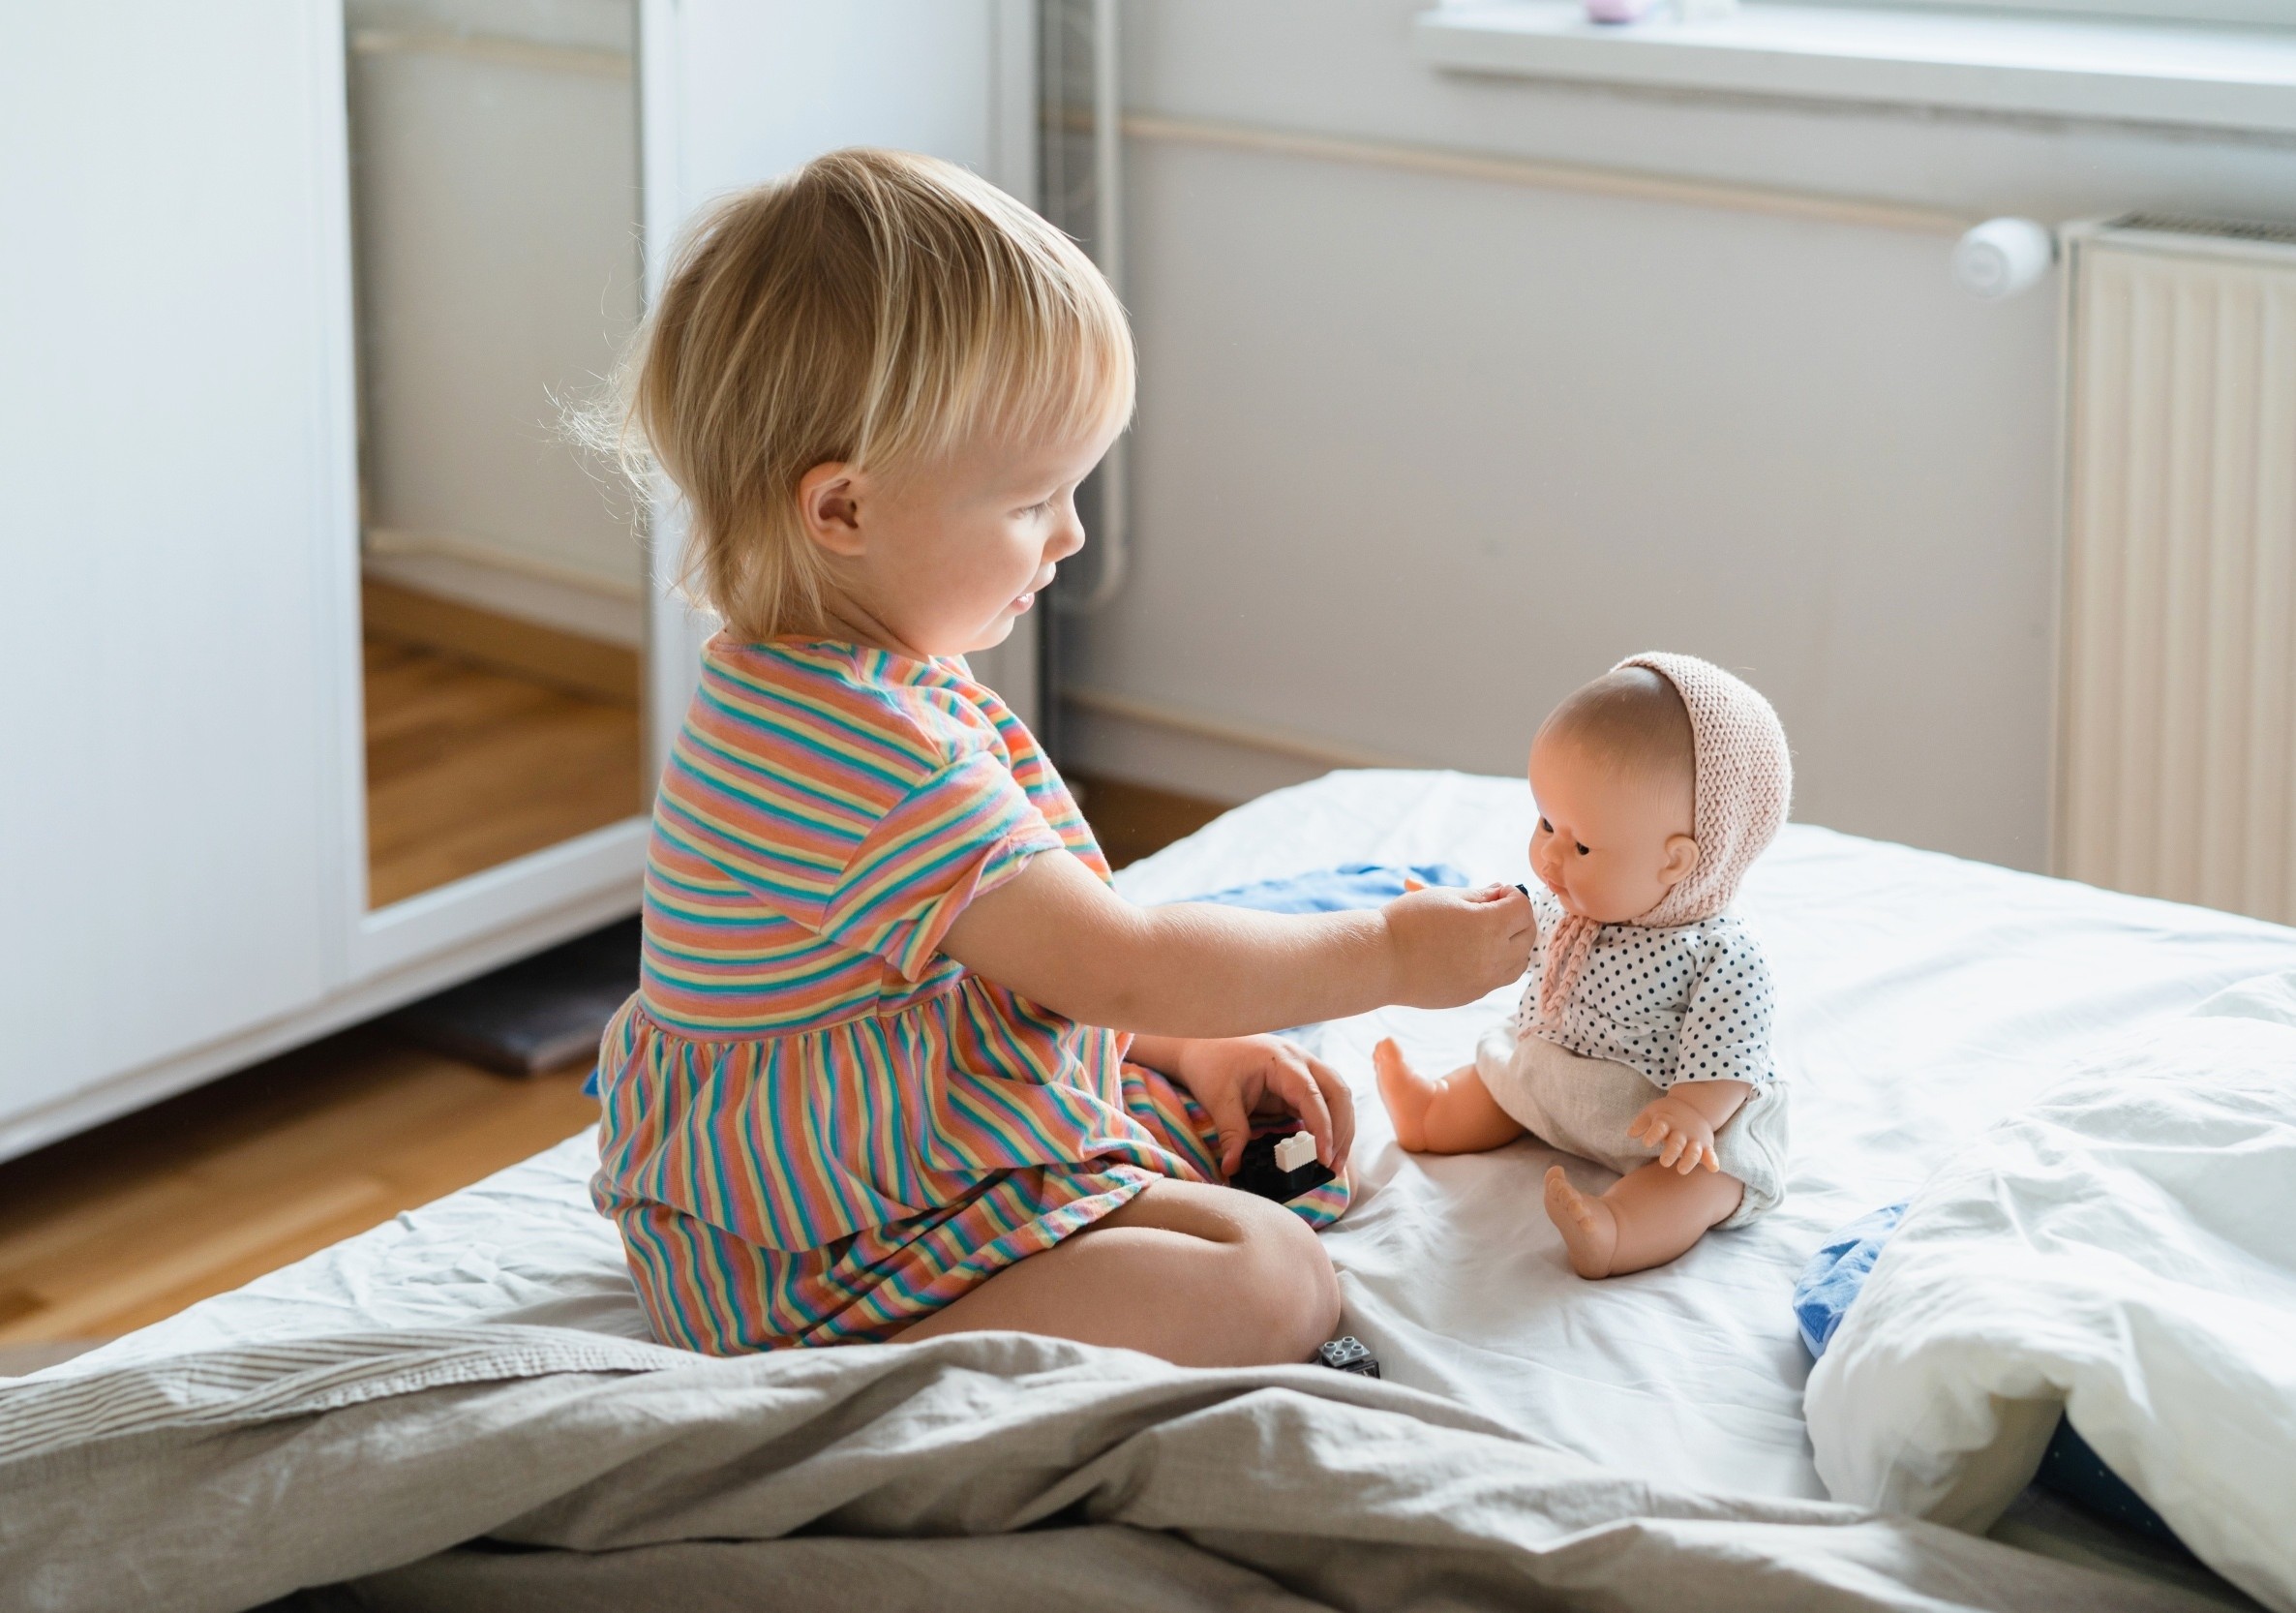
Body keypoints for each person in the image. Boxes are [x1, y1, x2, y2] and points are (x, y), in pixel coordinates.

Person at [589, 148, 1533, 1367]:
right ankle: (864, 1371)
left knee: (1202, 1135)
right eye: (1032, 499)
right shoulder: (860, 754)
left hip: (901, 1139)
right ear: (842, 513)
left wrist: (1188, 1050)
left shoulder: (848, 678)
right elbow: (1117, 967)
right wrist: (1392, 950)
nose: (1071, 534)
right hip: (818, 1257)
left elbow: (988, 975)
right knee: (1272, 1278)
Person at [1375, 654, 1792, 1278]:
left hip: (1662, 1118)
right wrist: (1452, 922)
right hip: (1560, 1079)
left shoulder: (1722, 952)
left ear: (1675, 864)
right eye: (1546, 822)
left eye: (1582, 844)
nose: (1548, 856)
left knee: (1702, 1181)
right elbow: (1506, 931)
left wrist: (1694, 1111)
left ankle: (1618, 1229)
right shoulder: (1568, 906)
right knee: (1494, 1078)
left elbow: (1735, 1050)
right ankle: (1433, 1113)